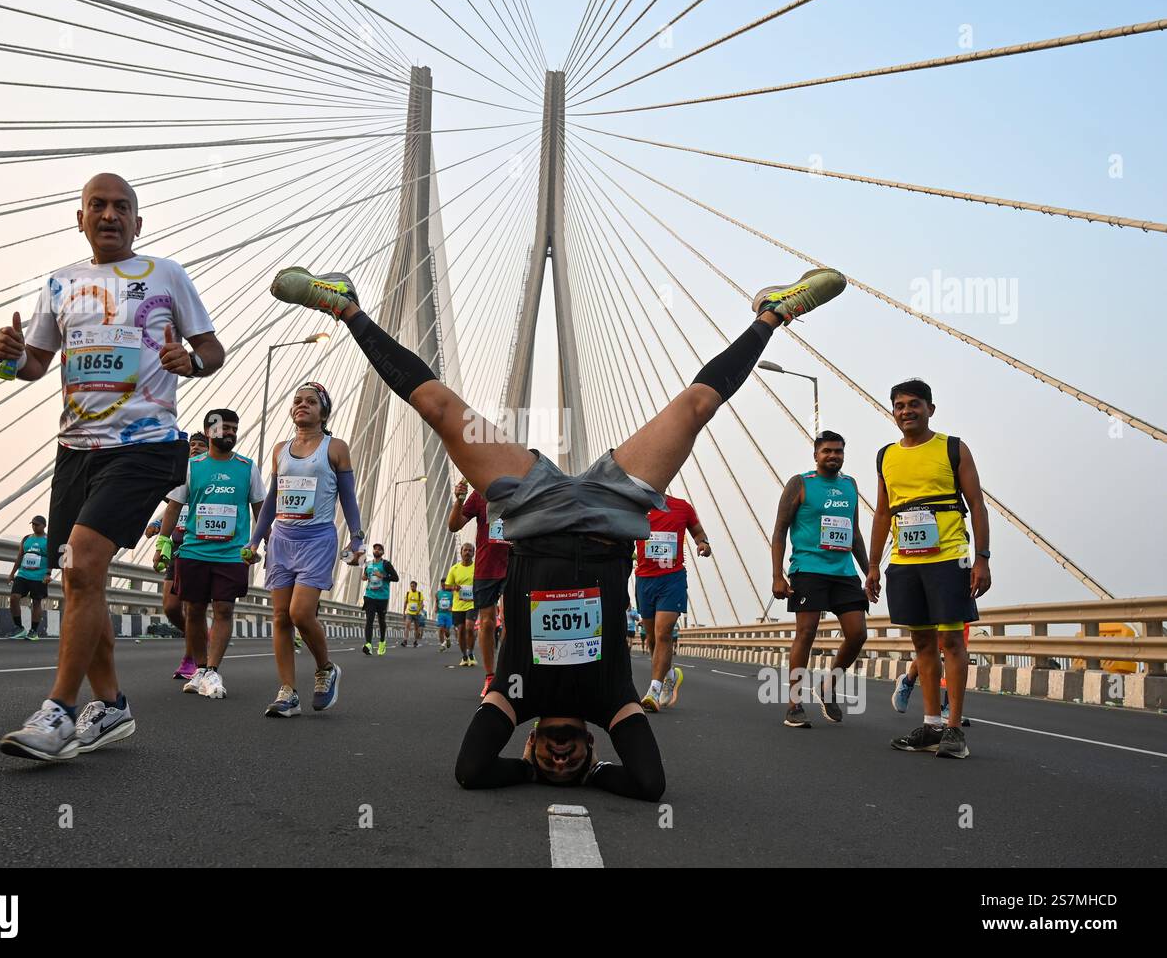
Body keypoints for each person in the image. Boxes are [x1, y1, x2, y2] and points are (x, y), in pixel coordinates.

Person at [269, 261, 845, 798]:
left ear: (528, 746)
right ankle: (774, 313)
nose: (560, 758)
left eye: (550, 764)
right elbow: (649, 783)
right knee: (696, 407)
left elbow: (471, 770)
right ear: (595, 747)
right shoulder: (612, 700)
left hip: (533, 509)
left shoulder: (515, 695)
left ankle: (345, 307)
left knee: (439, 409)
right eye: (573, 761)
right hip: (613, 514)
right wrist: (591, 777)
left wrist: (526, 773)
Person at [0, 173, 223, 761]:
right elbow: (37, 365)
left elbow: (212, 351)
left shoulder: (166, 275)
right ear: (80, 218)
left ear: (138, 223)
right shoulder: (60, 285)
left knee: (84, 564)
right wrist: (11, 358)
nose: (110, 214)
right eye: (98, 205)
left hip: (145, 446)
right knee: (78, 579)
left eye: (123, 207)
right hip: (75, 451)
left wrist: (189, 361)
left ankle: (58, 713)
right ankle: (113, 706)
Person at [866, 379, 990, 760]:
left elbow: (977, 504)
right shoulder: (886, 455)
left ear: (930, 409)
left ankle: (955, 730)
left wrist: (982, 557)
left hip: (948, 557)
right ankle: (932, 725)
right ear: (893, 412)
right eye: (899, 405)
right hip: (904, 561)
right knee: (921, 643)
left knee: (951, 641)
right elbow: (884, 512)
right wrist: (872, 565)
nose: (907, 411)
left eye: (914, 404)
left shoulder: (952, 448)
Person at [244, 381, 360, 715]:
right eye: (297, 401)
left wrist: (357, 537)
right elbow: (271, 503)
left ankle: (325, 669)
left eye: (311, 401)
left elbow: (348, 498)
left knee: (300, 613)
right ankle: (288, 692)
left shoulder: (335, 447)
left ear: (324, 411)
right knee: (280, 617)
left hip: (318, 540)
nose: (302, 405)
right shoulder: (280, 449)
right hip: (282, 539)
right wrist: (255, 539)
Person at [156, 409, 265, 700]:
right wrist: (163, 544)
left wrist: (264, 545)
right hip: (194, 551)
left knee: (224, 609)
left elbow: (260, 511)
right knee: (193, 610)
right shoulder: (191, 466)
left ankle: (213, 669)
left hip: (231, 554)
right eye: (223, 427)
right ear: (208, 431)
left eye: (233, 428)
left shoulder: (247, 467)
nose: (229, 432)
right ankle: (200, 670)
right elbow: (174, 506)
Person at [770, 431, 871, 728]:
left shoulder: (850, 485)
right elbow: (779, 530)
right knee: (807, 632)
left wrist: (870, 571)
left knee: (858, 634)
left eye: (838, 451)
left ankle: (829, 685)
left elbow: (854, 534)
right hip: (808, 568)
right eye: (827, 451)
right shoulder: (800, 484)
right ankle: (794, 703)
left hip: (843, 571)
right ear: (816, 455)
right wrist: (777, 575)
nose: (833, 456)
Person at [635, 495, 710, 712]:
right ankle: (669, 676)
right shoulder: (637, 506)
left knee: (663, 634)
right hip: (644, 580)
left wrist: (703, 543)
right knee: (651, 638)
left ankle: (653, 691)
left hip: (672, 579)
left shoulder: (682, 507)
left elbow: (698, 532)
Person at [145, 431, 208, 677]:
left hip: (198, 550)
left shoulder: (209, 479)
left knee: (194, 610)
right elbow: (173, 508)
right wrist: (158, 529)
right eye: (192, 445)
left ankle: (191, 657)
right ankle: (200, 638)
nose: (195, 448)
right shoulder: (180, 476)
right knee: (171, 608)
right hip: (176, 551)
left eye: (201, 445)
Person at [448, 477, 511, 696]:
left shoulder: (521, 491)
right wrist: (459, 499)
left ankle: (506, 673)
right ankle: (490, 676)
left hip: (513, 565)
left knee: (511, 621)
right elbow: (454, 526)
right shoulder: (479, 494)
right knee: (486, 623)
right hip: (485, 568)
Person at [8, 515, 51, 640]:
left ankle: (33, 631)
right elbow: (20, 556)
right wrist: (12, 574)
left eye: (37, 524)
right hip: (23, 574)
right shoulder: (26, 539)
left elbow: (51, 559)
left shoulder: (48, 540)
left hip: (39, 576)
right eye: (33, 524)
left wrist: (48, 574)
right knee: (14, 597)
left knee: (36, 602)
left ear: (44, 526)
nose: (34, 526)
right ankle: (19, 628)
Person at [360, 543, 399, 655]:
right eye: (375, 549)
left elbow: (396, 578)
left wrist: (383, 576)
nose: (376, 550)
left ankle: (382, 642)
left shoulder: (386, 564)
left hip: (382, 598)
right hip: (370, 596)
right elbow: (365, 576)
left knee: (381, 620)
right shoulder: (368, 564)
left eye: (379, 549)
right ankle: (368, 644)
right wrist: (364, 577)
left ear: (382, 552)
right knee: (369, 620)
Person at [445, 543, 478, 667]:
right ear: (461, 552)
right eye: (465, 550)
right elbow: (447, 586)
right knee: (461, 631)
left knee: (470, 628)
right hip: (458, 605)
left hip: (472, 603)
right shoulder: (454, 569)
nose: (467, 552)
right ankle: (464, 656)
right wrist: (454, 587)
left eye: (470, 551)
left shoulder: (477, 568)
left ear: (473, 554)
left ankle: (470, 653)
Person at [402, 580, 425, 647]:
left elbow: (422, 604)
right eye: (411, 586)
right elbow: (405, 603)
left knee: (416, 628)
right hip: (409, 613)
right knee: (407, 626)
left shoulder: (419, 594)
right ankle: (405, 640)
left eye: (413, 586)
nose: (412, 587)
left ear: (416, 586)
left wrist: (419, 610)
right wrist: (403, 612)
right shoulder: (408, 593)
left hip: (417, 614)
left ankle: (415, 641)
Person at [434, 577, 452, 651]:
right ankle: (442, 645)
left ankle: (447, 638)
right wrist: (435, 607)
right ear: (441, 584)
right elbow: (437, 601)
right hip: (441, 613)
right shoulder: (438, 593)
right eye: (442, 584)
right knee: (441, 629)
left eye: (445, 584)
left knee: (447, 631)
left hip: (448, 614)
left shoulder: (451, 594)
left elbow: (455, 603)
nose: (444, 585)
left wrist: (451, 608)